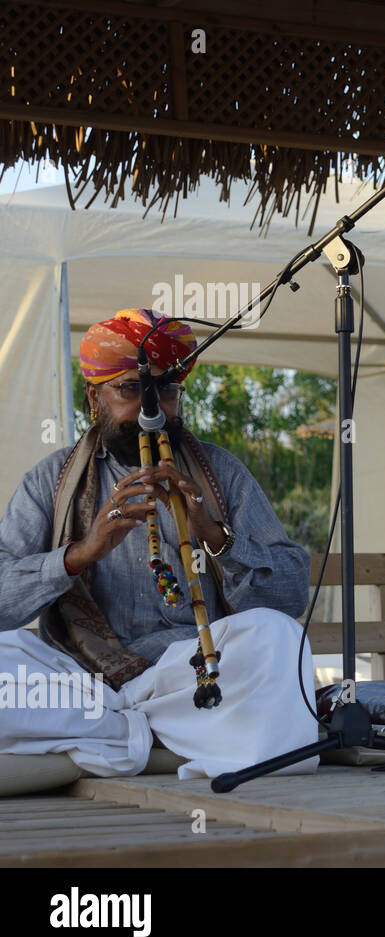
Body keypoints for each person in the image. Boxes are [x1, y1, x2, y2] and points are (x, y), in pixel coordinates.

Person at [0, 309, 319, 780]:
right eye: (131, 390)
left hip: (190, 673)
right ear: (95, 395)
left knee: (278, 638)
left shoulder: (220, 471)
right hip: (78, 683)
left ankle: (111, 739)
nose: (152, 412)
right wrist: (81, 554)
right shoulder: (50, 480)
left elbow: (289, 597)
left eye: (166, 391)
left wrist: (215, 535)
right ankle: (152, 735)